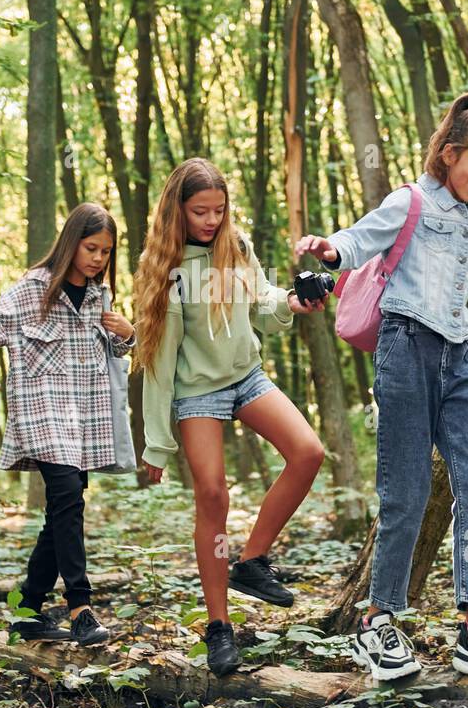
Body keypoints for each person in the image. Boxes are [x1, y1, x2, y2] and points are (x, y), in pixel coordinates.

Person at [295, 93, 468, 681]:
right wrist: (329, 250)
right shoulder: (409, 202)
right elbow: (358, 240)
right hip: (405, 350)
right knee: (405, 488)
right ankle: (377, 622)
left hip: (459, 360)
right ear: (449, 154)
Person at [134, 157, 325, 676]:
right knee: (213, 494)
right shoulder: (167, 271)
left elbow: (260, 299)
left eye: (219, 210)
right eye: (201, 211)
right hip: (198, 391)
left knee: (309, 453)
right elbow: (157, 359)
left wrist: (289, 300)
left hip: (246, 376)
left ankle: (252, 561)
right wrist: (156, 443)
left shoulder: (235, 247)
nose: (212, 220)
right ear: (178, 209)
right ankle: (219, 626)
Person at [0, 203, 135, 646]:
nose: (98, 258)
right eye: (91, 247)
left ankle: (27, 608)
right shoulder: (34, 290)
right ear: (71, 242)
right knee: (67, 502)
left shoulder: (100, 296)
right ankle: (80, 607)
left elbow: (118, 353)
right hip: (44, 413)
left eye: (106, 251)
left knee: (63, 507)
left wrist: (127, 333)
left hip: (85, 418)